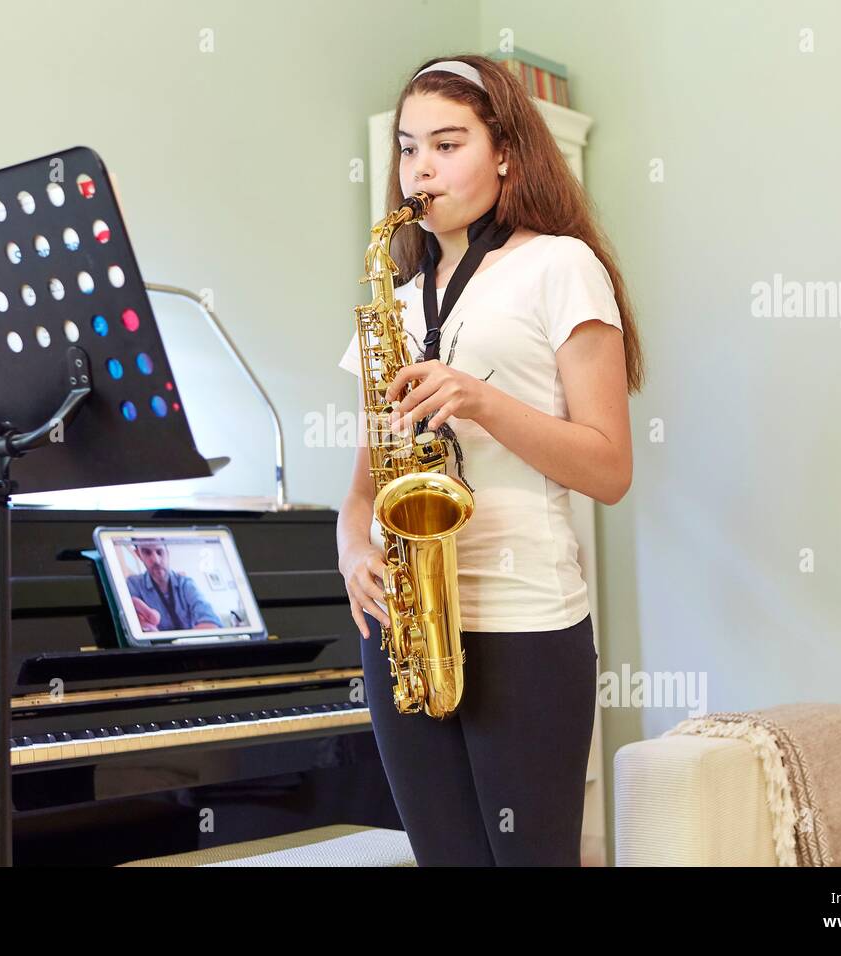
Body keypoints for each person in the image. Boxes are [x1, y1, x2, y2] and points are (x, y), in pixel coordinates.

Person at [336, 55, 644, 866]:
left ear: (505, 150)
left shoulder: (560, 266)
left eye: (447, 143)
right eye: (408, 149)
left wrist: (482, 401)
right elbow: (361, 492)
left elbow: (611, 469)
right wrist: (350, 551)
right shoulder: (395, 301)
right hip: (406, 622)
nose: (421, 168)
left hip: (524, 619)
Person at [124, 539, 221, 631]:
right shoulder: (134, 584)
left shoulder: (186, 583)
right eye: (147, 552)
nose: (156, 560)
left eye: (159, 552)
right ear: (138, 555)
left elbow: (210, 620)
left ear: (167, 552)